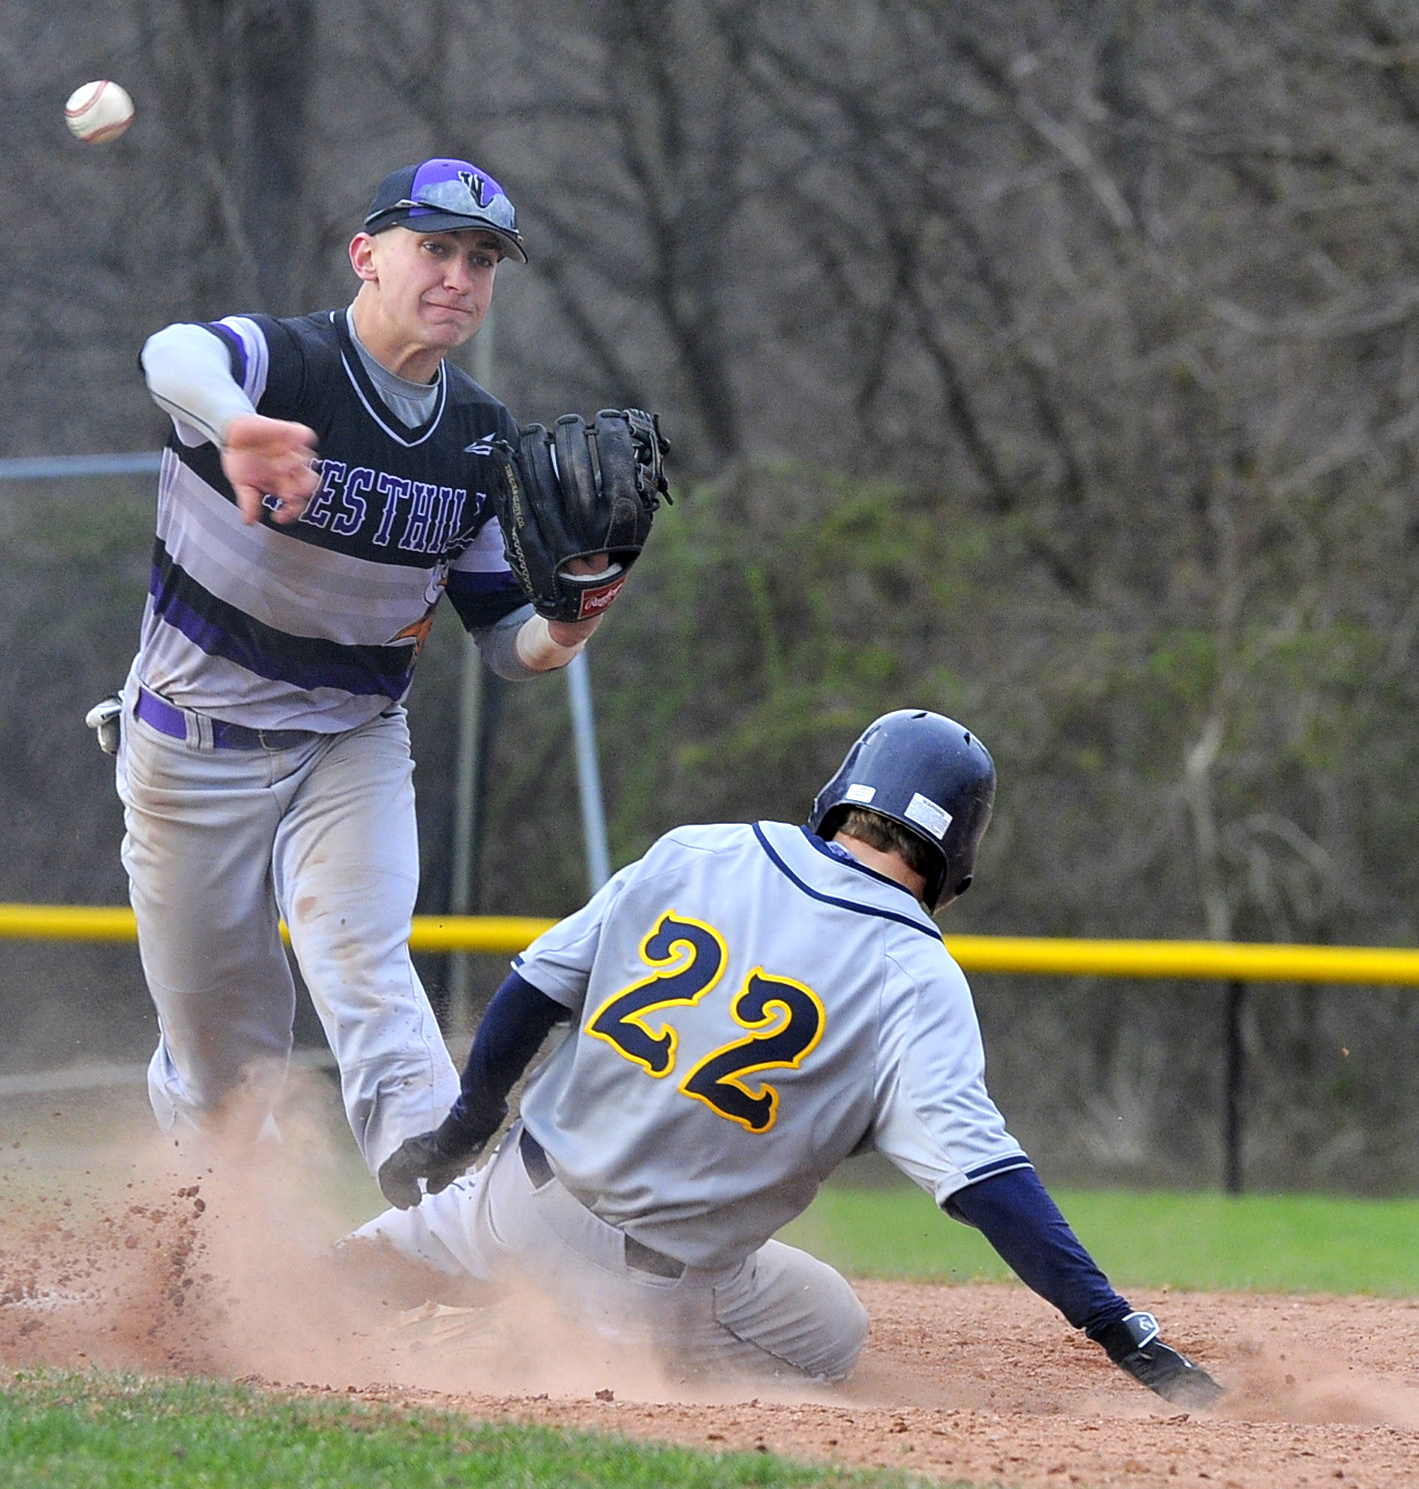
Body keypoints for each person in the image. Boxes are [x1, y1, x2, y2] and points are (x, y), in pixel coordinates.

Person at [355, 709, 1224, 1405]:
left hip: (509, 1199)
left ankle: (430, 1273)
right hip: (640, 1294)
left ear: (841, 795)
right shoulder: (915, 973)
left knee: (304, 1284)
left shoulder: (699, 847)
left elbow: (530, 993)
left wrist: (460, 1130)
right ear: (956, 861)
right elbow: (989, 1185)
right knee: (834, 1333)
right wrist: (1114, 1325)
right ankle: (521, 1347)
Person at [109, 158, 622, 1174]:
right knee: (224, 1069)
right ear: (366, 256)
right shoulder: (281, 368)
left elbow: (501, 638)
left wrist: (564, 626)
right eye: (433, 246)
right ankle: (200, 1242)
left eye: (481, 259)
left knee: (364, 963)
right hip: (189, 746)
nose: (458, 276)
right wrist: (234, 424)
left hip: (349, 741)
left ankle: (449, 1228)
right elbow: (170, 352)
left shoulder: (478, 438)